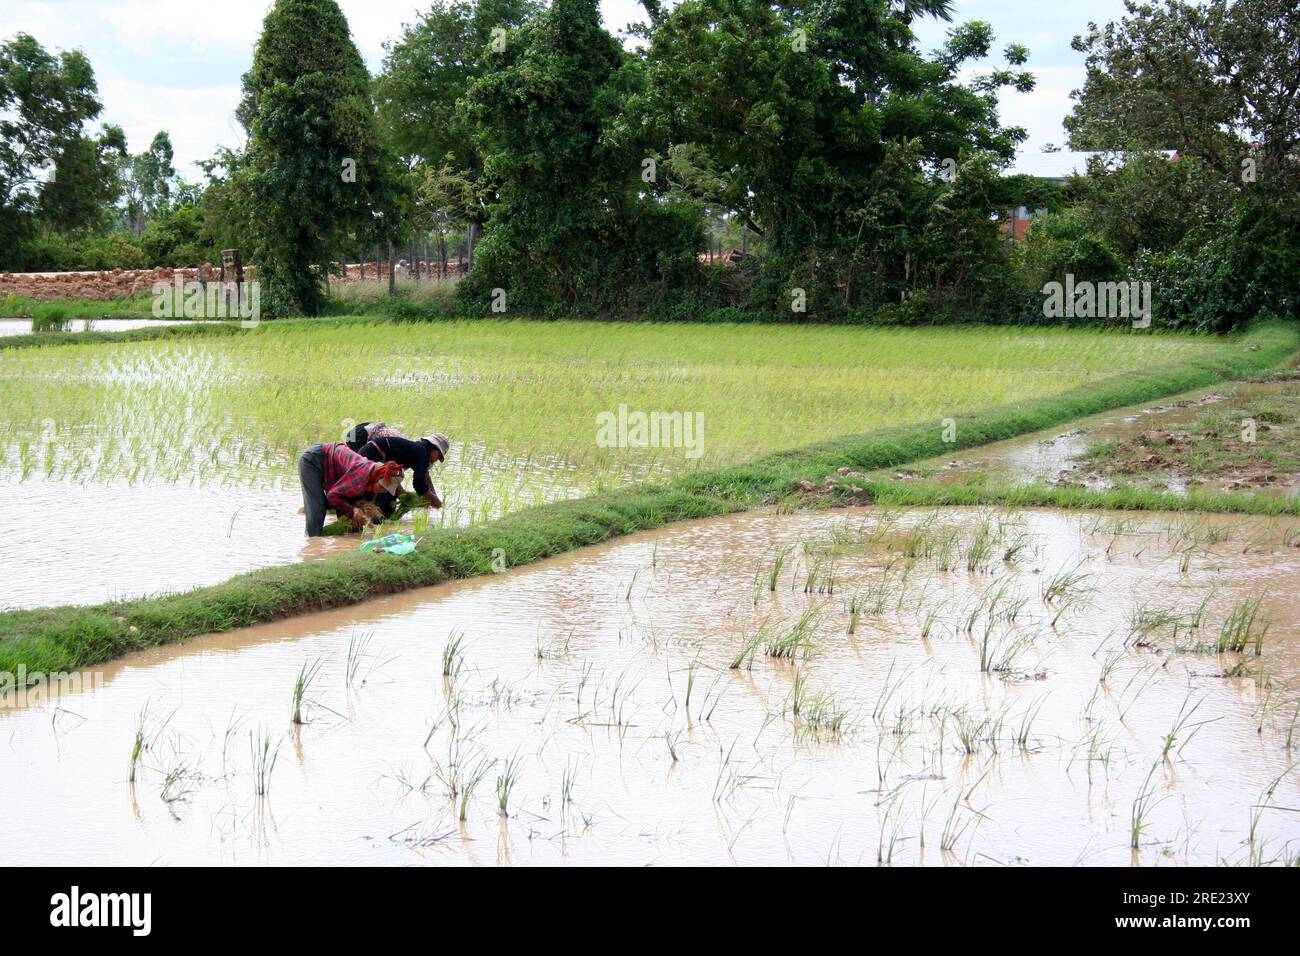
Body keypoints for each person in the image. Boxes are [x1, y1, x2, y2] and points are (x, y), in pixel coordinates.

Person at [297, 441, 405, 536]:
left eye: (386, 489)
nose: (383, 491)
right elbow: (332, 497)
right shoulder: (362, 476)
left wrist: (363, 517)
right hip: (313, 461)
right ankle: (312, 543)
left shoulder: (372, 482)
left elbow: (362, 504)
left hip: (333, 470)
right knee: (318, 508)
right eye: (382, 486)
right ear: (378, 478)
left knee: (352, 523)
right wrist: (353, 511)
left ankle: (347, 545)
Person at [349, 423, 450, 517]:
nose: (437, 460)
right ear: (434, 448)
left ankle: (363, 514)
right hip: (372, 455)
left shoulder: (417, 450)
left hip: (371, 454)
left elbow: (424, 479)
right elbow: (419, 485)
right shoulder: (422, 454)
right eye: (439, 456)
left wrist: (428, 498)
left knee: (386, 501)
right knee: (384, 504)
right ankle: (369, 518)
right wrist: (435, 502)